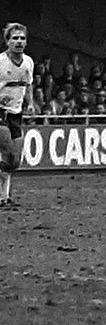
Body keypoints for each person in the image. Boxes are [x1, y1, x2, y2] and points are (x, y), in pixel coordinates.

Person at [0, 23, 35, 208]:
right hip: (0, 113)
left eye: (22, 38)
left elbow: (27, 86)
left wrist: (30, 103)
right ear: (7, 41)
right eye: (15, 38)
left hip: (16, 113)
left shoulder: (28, 62)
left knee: (15, 161)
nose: (19, 42)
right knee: (8, 151)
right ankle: (3, 197)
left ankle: (4, 196)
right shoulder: (0, 63)